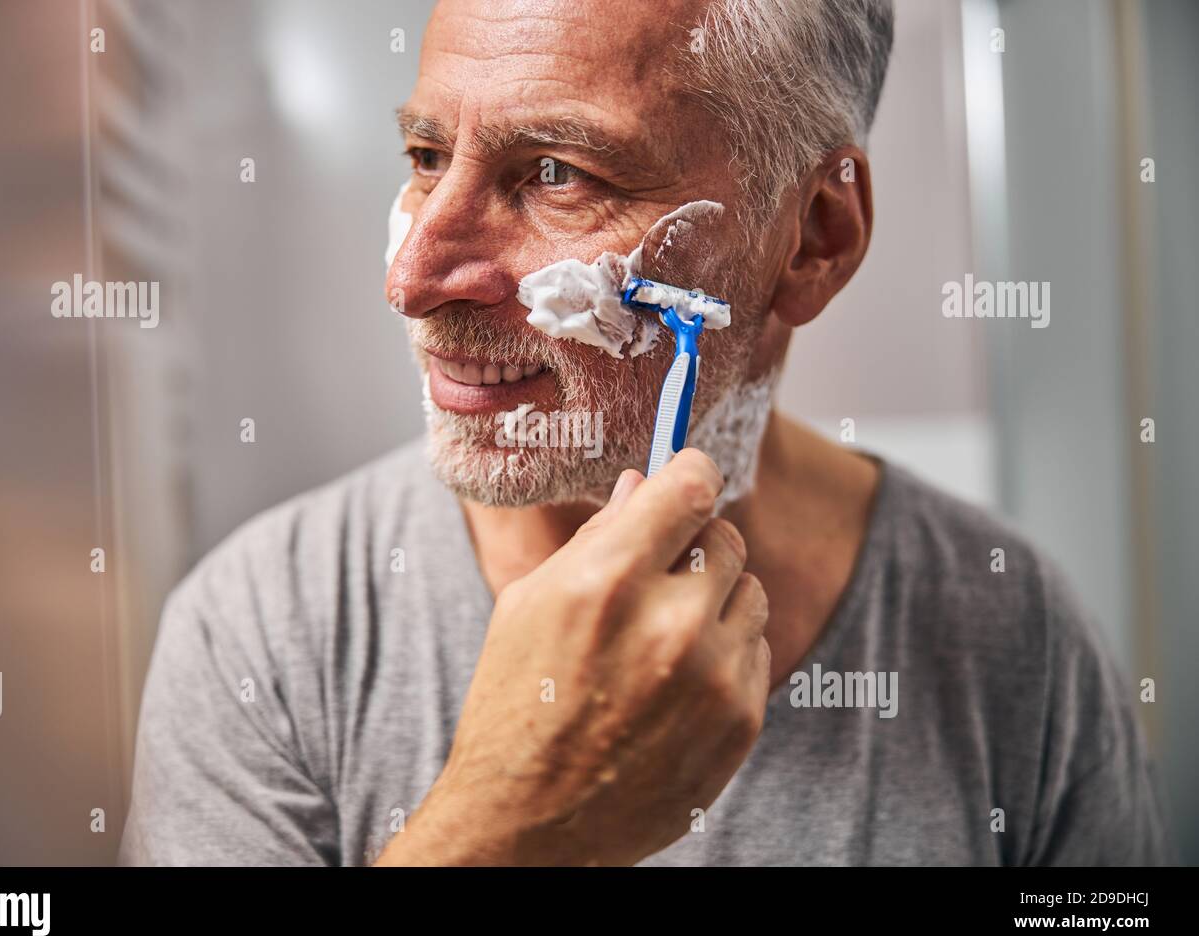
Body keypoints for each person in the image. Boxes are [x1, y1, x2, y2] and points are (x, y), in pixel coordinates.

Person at [119, 0, 1172, 866]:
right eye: (427, 152)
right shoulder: (261, 629)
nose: (412, 279)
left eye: (559, 174)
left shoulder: (1008, 636)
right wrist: (502, 831)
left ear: (813, 238)